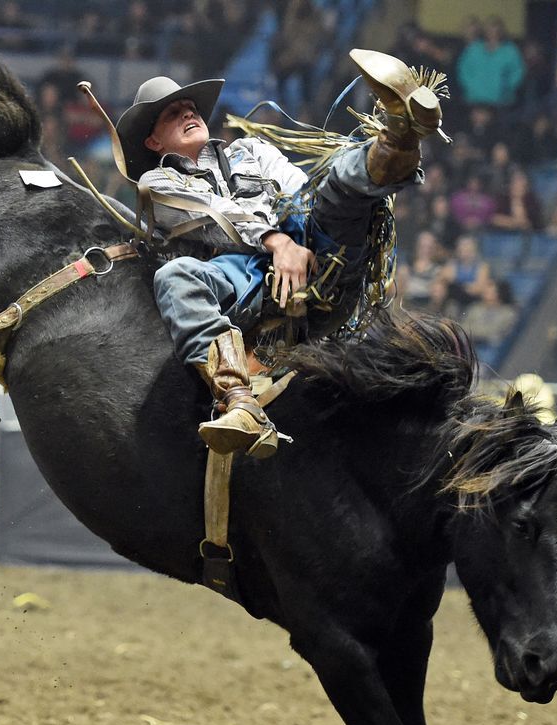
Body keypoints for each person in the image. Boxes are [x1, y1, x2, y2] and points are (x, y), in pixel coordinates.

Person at [114, 49, 443, 457]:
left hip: (315, 259)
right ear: (153, 140)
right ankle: (238, 400)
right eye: (171, 114)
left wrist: (296, 239)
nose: (188, 113)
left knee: (337, 181)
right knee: (176, 277)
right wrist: (276, 241)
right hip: (243, 280)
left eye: (189, 106)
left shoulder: (249, 151)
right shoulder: (155, 184)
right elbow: (216, 216)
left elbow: (299, 189)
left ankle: (400, 136)